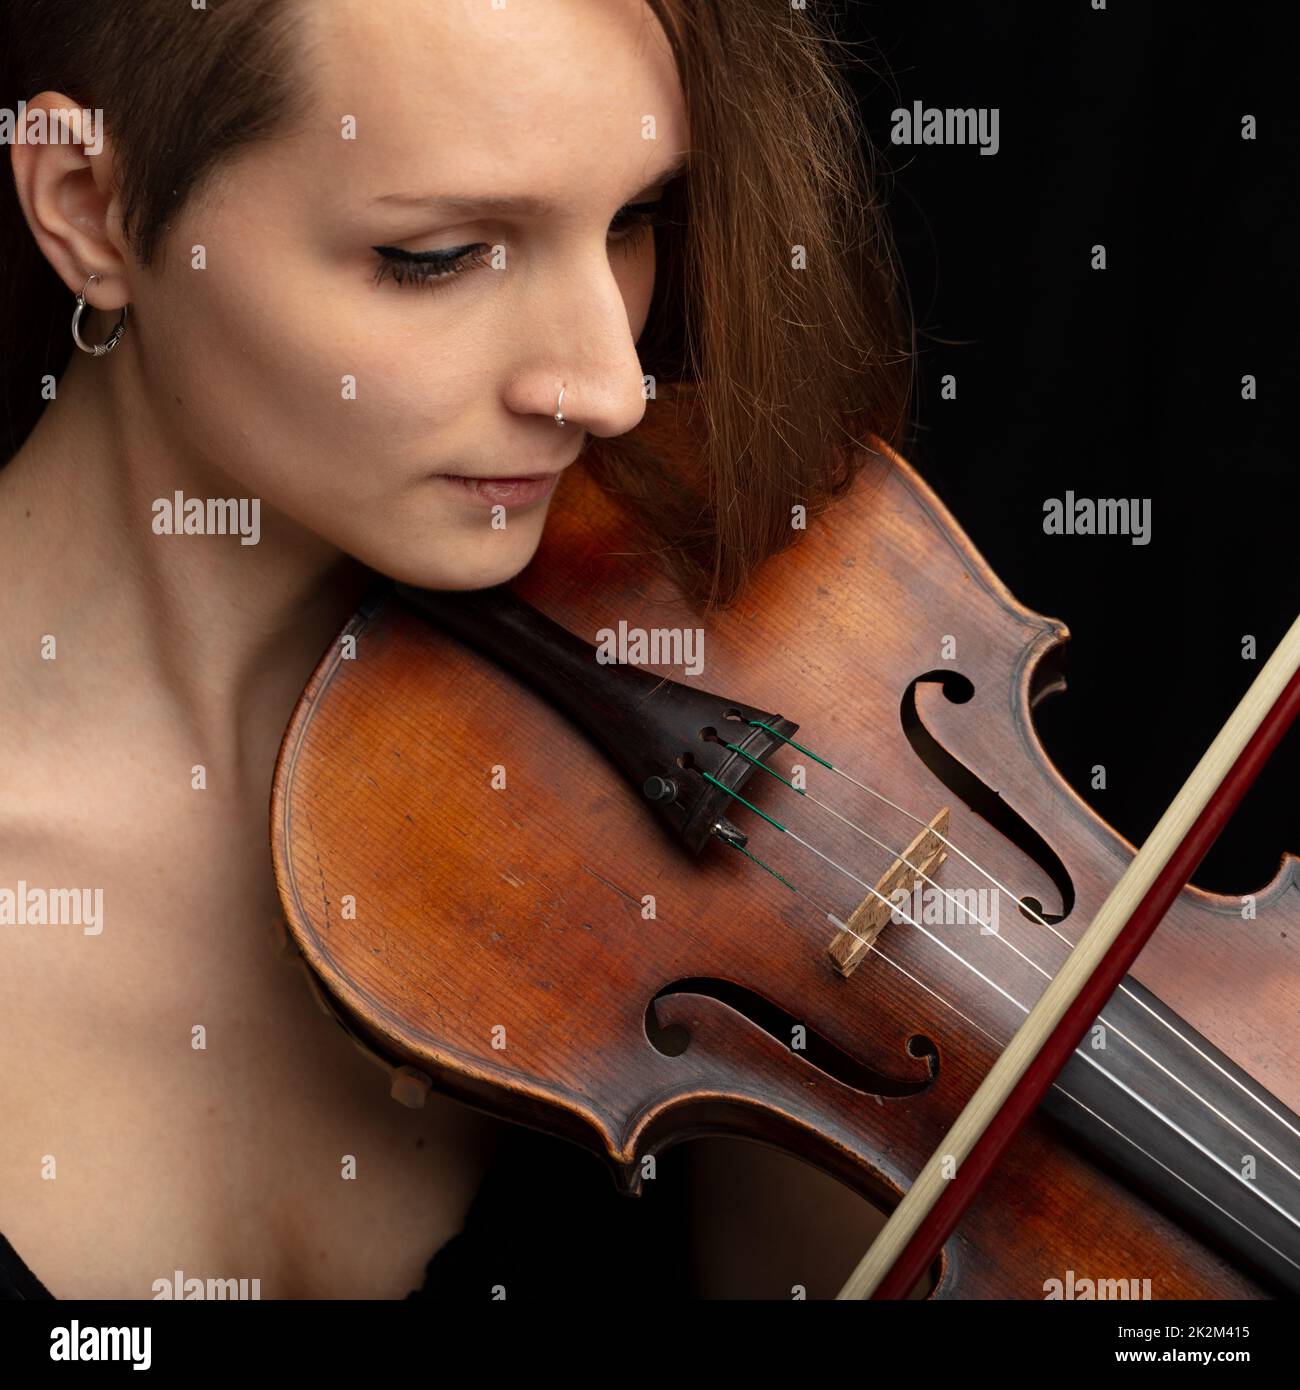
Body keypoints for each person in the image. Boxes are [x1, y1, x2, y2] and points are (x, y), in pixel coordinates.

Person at [0, 0, 911, 1298]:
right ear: (90, 206)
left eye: (632, 222)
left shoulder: (707, 681)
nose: (608, 386)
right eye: (439, 254)